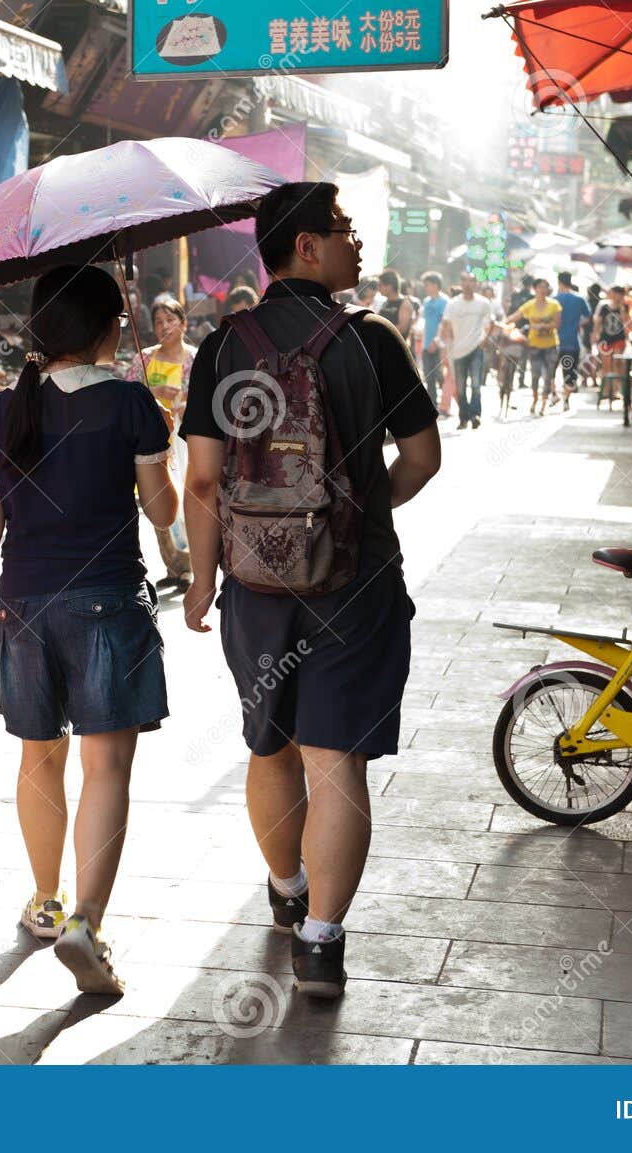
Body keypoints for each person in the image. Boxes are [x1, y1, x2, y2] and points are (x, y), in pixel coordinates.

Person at [181, 182, 441, 998]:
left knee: (269, 743)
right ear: (305, 246)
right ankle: (322, 944)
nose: (356, 244)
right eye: (344, 230)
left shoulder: (223, 346)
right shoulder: (373, 340)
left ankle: (287, 890)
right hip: (354, 583)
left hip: (256, 587)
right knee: (338, 761)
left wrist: (200, 577)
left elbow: (201, 479)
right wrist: (353, 515)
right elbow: (425, 457)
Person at [0, 264, 176, 996]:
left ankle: (47, 901)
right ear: (108, 327)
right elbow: (163, 513)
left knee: (40, 759)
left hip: (22, 609)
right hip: (108, 603)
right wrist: (159, 435)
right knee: (106, 767)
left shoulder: (1, 411)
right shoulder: (133, 404)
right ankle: (88, 922)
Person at [126, 296, 196, 586]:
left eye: (170, 319)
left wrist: (185, 402)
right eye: (158, 321)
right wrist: (155, 389)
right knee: (157, 495)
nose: (164, 326)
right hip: (153, 437)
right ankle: (172, 564)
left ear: (183, 323)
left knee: (187, 496)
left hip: (186, 436)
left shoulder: (194, 357)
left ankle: (191, 563)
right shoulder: (145, 358)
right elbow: (128, 393)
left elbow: (210, 396)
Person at [440, 271, 494, 430]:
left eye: (471, 281)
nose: (468, 284)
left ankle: (476, 415)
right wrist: (446, 345)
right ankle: (463, 418)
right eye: (464, 281)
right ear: (461, 283)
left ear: (476, 283)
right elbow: (446, 324)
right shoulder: (453, 304)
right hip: (458, 350)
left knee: (476, 384)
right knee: (461, 385)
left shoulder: (483, 303)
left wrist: (485, 340)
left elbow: (490, 323)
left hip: (476, 348)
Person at [508, 278, 562, 415]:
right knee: (535, 374)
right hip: (534, 345)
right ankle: (535, 399)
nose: (542, 290)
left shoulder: (554, 305)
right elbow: (515, 316)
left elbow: (557, 323)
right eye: (540, 287)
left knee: (549, 375)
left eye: (545, 287)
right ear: (535, 289)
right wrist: (502, 324)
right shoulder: (530, 305)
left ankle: (544, 402)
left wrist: (543, 326)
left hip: (551, 345)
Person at [554, 272, 592, 403]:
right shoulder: (579, 299)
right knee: (569, 373)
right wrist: (576, 323)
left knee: (550, 372)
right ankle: (566, 400)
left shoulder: (553, 300)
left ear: (559, 282)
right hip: (572, 342)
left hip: (554, 342)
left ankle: (553, 395)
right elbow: (587, 317)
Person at [592, 284, 631, 408]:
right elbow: (598, 322)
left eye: (618, 293)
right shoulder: (604, 306)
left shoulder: (624, 307)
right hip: (606, 339)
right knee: (606, 365)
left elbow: (626, 322)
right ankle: (606, 390)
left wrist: (621, 308)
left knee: (617, 364)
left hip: (619, 339)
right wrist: (595, 336)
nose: (615, 296)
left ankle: (615, 390)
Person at [418, 272, 448, 412]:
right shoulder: (426, 301)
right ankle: (432, 406)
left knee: (439, 376)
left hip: (439, 345)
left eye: (428, 284)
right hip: (426, 344)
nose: (426, 287)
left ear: (436, 284)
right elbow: (424, 322)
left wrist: (436, 341)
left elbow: (443, 324)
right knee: (429, 376)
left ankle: (445, 404)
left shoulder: (444, 302)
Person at [375, 269, 416, 340]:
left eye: (380, 285)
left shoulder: (404, 303)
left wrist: (381, 334)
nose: (378, 288)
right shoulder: (386, 302)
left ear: (389, 286)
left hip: (396, 347)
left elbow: (402, 328)